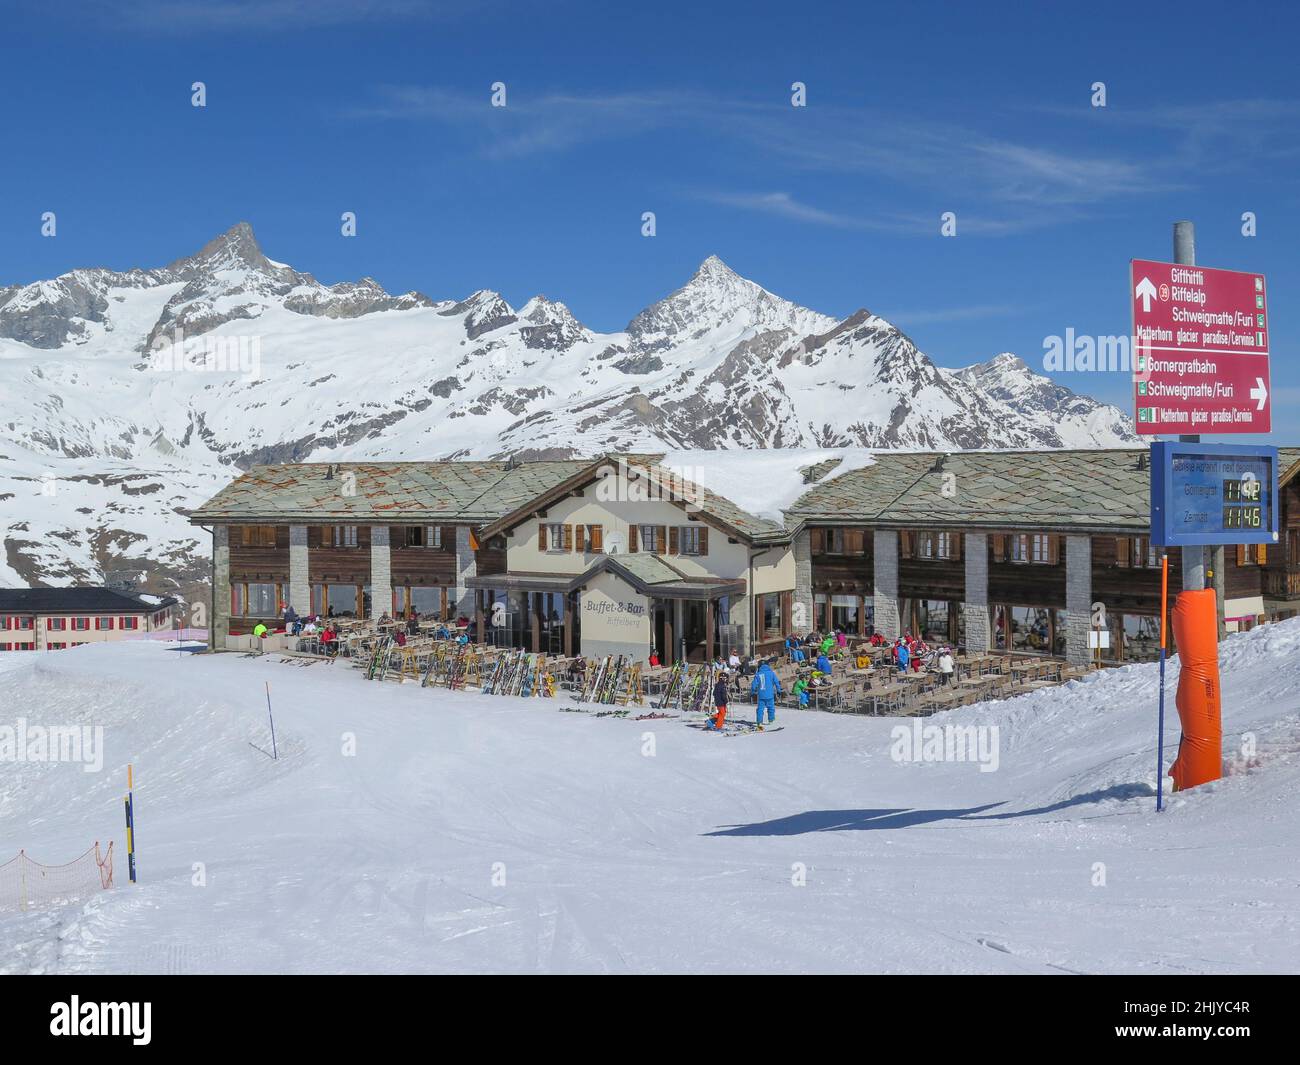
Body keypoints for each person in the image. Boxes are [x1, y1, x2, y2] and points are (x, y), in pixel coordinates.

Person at [749, 658, 783, 730]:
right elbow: (776, 682)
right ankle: (771, 720)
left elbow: (754, 685)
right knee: (771, 708)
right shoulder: (771, 673)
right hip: (770, 694)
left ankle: (759, 722)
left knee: (760, 709)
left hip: (761, 695)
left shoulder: (758, 674)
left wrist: (752, 692)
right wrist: (779, 691)